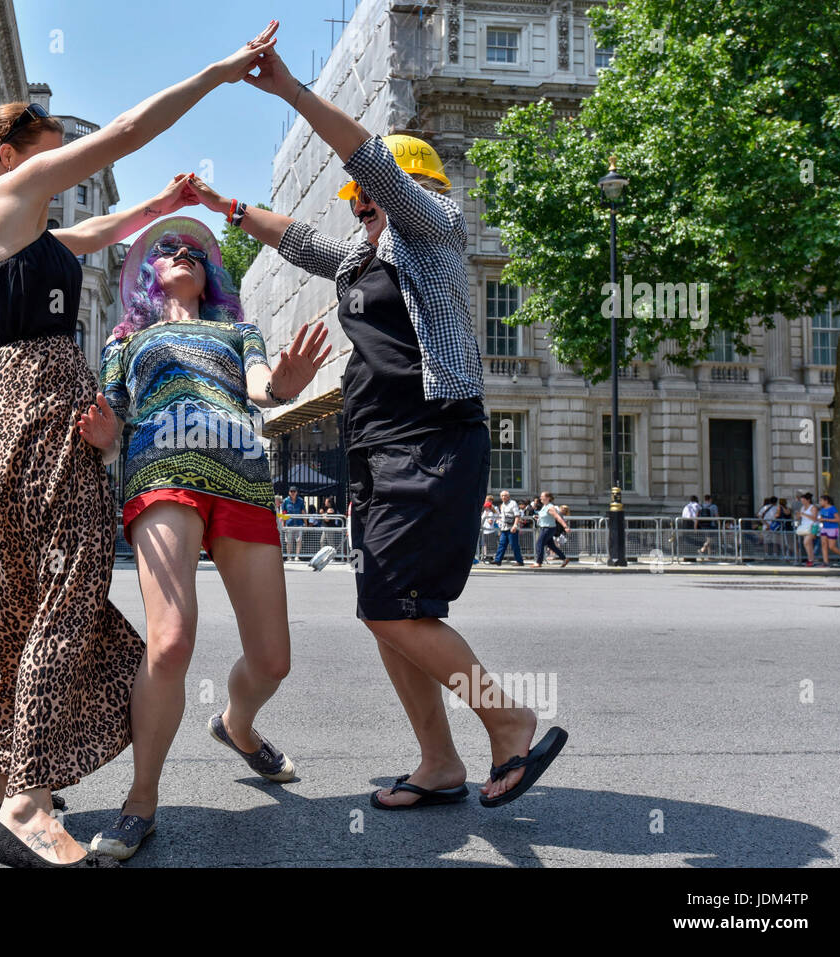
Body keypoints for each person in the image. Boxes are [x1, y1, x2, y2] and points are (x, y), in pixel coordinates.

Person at [185, 40, 566, 810]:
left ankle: (510, 718)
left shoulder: (431, 228)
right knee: (394, 616)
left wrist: (291, 90)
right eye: (355, 200)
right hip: (381, 452)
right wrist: (220, 206)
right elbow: (295, 238)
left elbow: (367, 154)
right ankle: (438, 763)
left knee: (392, 609)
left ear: (395, 190)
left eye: (366, 195)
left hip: (431, 440)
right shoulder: (362, 261)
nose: (357, 206)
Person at [0, 21, 279, 868]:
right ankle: (26, 800)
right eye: (54, 150)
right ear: (17, 153)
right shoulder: (14, 194)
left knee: (22, 591)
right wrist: (219, 71)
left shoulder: (3, 230)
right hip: (44, 396)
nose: (65, 165)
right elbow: (127, 131)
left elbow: (101, 233)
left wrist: (165, 208)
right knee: (69, 584)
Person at [78, 215, 328, 860]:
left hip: (242, 475)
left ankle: (236, 726)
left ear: (208, 271)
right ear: (148, 272)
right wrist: (106, 443)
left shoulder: (237, 331)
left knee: (273, 660)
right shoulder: (125, 341)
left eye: (193, 250)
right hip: (162, 472)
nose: (182, 253)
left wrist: (280, 388)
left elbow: (258, 388)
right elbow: (114, 415)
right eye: (168, 250)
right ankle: (141, 800)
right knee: (171, 641)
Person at [532, 491, 570, 568]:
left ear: (548, 498)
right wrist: (538, 518)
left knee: (539, 544)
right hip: (544, 528)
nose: (540, 498)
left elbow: (557, 517)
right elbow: (546, 517)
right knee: (552, 546)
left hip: (548, 528)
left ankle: (538, 562)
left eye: (542, 496)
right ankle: (564, 559)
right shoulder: (544, 506)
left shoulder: (550, 507)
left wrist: (565, 526)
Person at [493, 489, 524, 566]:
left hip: (511, 528)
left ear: (509, 496)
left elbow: (517, 515)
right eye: (502, 496)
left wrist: (515, 526)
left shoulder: (513, 503)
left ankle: (519, 561)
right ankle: (498, 560)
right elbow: (502, 517)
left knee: (514, 545)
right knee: (502, 544)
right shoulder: (502, 505)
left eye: (505, 495)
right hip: (504, 528)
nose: (504, 497)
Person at [816, 494, 840, 566]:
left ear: (826, 501)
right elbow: (821, 518)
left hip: (833, 529)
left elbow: (838, 519)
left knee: (831, 547)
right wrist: (820, 520)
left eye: (821, 500)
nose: (820, 502)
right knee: (824, 544)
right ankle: (825, 562)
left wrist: (825, 519)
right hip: (824, 528)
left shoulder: (832, 508)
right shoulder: (822, 509)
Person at [796, 492, 821, 567]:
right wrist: (798, 515)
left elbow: (814, 518)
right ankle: (811, 559)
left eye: (803, 500)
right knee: (808, 544)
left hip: (813, 526)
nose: (802, 502)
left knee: (806, 542)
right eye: (801, 501)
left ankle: (810, 559)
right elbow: (799, 517)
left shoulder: (813, 507)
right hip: (805, 527)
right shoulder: (802, 508)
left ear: (808, 500)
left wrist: (803, 514)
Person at [281, 486, 305, 561]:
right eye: (291, 491)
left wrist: (305, 523)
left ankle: (297, 556)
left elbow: (303, 512)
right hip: (289, 523)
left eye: (294, 491)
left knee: (299, 540)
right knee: (288, 541)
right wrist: (283, 524)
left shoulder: (300, 501)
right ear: (289, 492)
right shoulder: (285, 501)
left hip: (299, 523)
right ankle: (289, 556)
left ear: (297, 492)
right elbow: (284, 512)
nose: (293, 493)